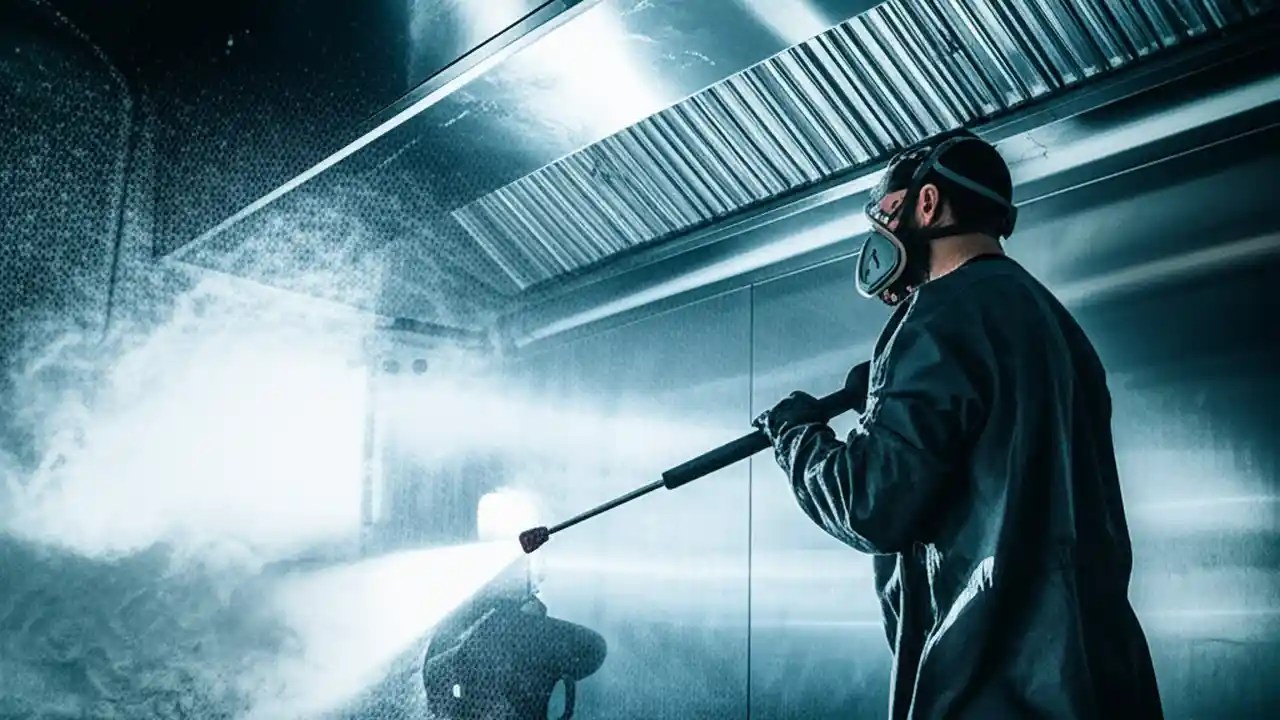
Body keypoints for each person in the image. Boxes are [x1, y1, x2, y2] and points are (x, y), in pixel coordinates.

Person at [752, 128, 1164, 719]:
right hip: (1101, 684)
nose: (883, 236)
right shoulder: (1057, 328)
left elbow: (871, 501)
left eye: (887, 214)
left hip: (990, 686)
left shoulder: (939, 316)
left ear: (926, 204)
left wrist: (795, 436)